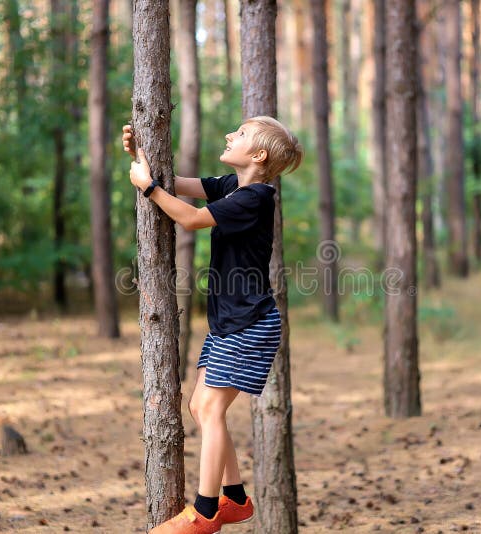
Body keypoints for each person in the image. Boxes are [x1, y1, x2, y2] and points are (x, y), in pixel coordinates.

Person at [122, 116, 303, 534]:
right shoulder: (231, 187)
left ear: (258, 155)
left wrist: (146, 187)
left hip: (250, 322)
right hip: (230, 322)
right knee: (200, 408)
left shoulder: (255, 197)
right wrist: (141, 156)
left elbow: (188, 217)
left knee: (210, 408)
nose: (228, 135)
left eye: (239, 134)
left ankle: (204, 515)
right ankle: (235, 499)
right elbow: (177, 185)